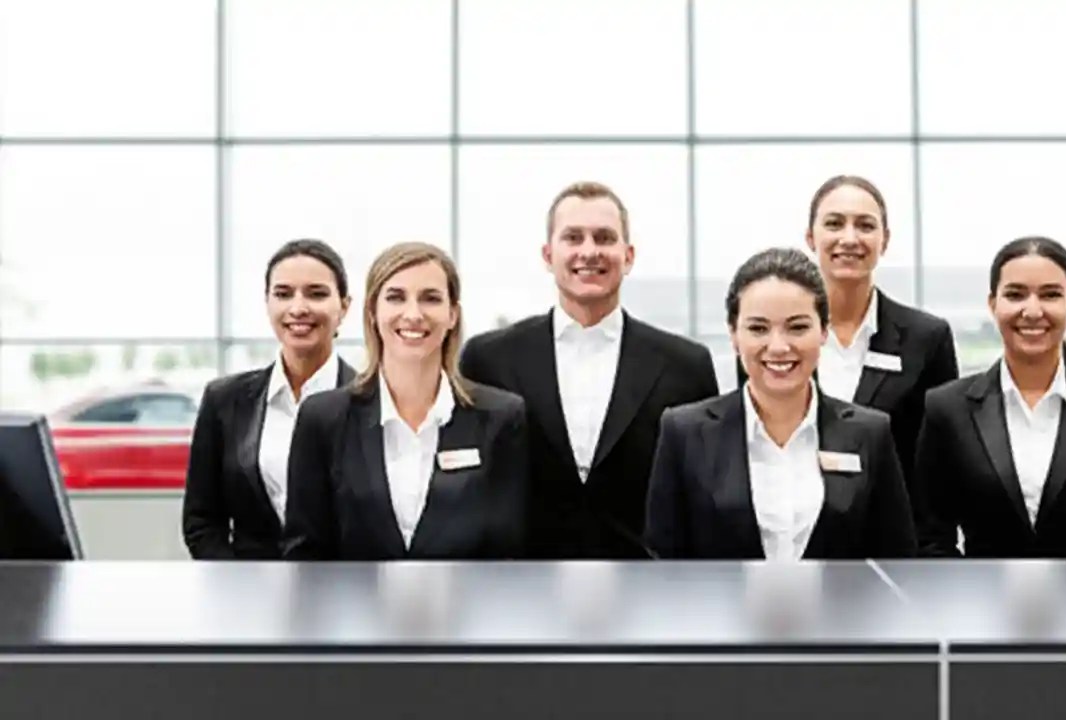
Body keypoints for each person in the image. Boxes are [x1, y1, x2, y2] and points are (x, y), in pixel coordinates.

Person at [460, 181, 719, 559]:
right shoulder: (488, 358)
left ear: (628, 256)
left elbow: (701, 493)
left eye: (604, 238)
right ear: (548, 255)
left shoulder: (686, 365)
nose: (589, 251)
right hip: (522, 586)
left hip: (648, 587)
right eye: (573, 237)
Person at [645, 248, 916, 560]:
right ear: (734, 334)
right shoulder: (685, 432)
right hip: (722, 610)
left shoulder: (870, 432)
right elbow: (664, 565)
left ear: (823, 331)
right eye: (758, 328)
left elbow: (897, 561)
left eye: (797, 327)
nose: (778, 346)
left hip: (841, 610)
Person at [913, 237, 1066, 558]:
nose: (1032, 311)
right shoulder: (948, 409)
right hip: (984, 606)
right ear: (993, 304)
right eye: (1015, 295)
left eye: (1050, 295)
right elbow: (932, 540)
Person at [282, 242, 529, 560]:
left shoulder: (501, 417)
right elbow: (305, 554)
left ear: (452, 314)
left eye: (431, 298)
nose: (413, 314)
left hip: (465, 607)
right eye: (396, 297)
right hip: (352, 609)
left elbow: (509, 550)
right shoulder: (322, 418)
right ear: (373, 312)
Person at [741, 175, 958, 483]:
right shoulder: (771, 341)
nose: (849, 238)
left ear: (885, 239)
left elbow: (939, 463)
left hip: (892, 525)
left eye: (865, 226)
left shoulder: (927, 338)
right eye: (834, 223)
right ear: (810, 237)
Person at [183, 239, 355, 559]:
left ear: (344, 307)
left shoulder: (371, 400)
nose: (298, 307)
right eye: (283, 293)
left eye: (316, 293)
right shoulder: (224, 401)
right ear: (267, 303)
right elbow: (202, 521)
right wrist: (238, 583)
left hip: (342, 594)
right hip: (249, 593)